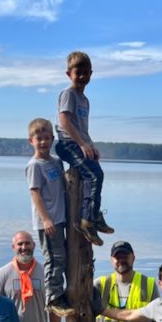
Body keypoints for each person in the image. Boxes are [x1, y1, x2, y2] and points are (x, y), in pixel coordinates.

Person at [55, 50, 113, 246]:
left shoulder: (85, 100)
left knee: (97, 172)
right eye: (77, 73)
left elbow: (82, 128)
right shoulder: (68, 94)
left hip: (79, 142)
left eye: (85, 73)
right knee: (93, 175)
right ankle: (86, 220)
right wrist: (80, 144)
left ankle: (93, 215)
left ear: (91, 74)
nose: (81, 77)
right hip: (67, 144)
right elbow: (64, 120)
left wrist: (90, 146)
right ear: (68, 74)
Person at [26, 117, 72, 317]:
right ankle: (53, 298)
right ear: (31, 141)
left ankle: (62, 293)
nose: (43, 142)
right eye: (39, 139)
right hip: (48, 222)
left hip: (60, 218)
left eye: (46, 138)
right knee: (54, 259)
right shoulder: (35, 165)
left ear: (52, 139)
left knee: (64, 258)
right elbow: (35, 193)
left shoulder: (56, 162)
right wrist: (45, 219)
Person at [0, 231, 60, 322]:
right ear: (13, 247)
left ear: (34, 245)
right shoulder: (2, 275)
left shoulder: (46, 273)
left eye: (27, 243)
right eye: (20, 244)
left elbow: (54, 307)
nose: (24, 247)